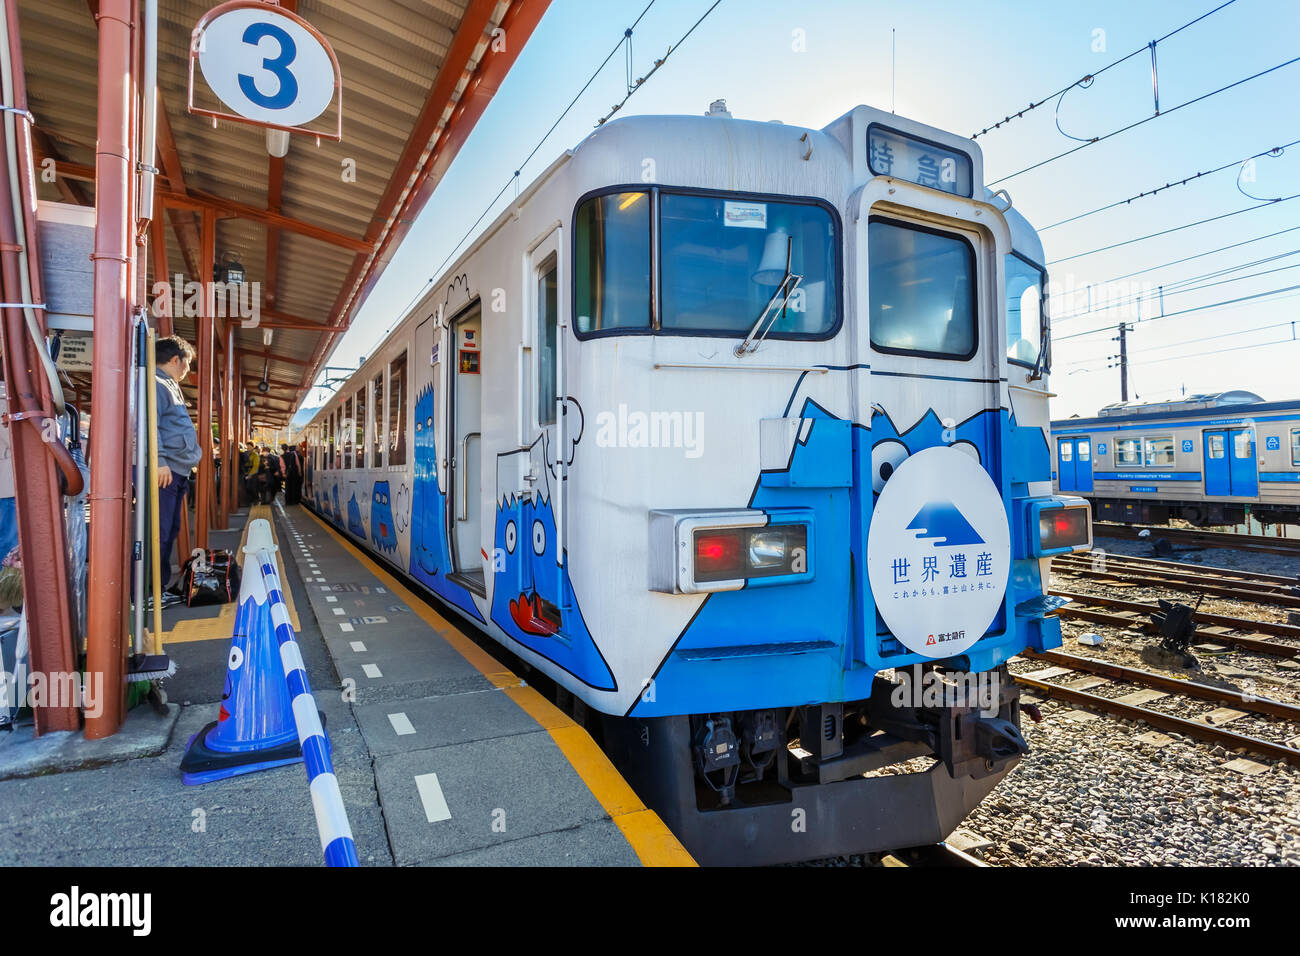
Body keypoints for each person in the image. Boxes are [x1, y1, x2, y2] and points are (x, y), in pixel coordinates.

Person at [154, 335, 202, 587]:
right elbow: (148, 424)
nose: (188, 369)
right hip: (166, 470)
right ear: (175, 359)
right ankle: (147, 594)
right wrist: (160, 460)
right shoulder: (156, 384)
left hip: (174, 469)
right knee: (158, 534)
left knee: (167, 532)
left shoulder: (167, 384)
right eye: (187, 363)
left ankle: (157, 588)